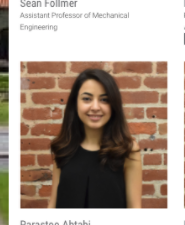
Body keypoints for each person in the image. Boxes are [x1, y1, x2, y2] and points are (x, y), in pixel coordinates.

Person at [48, 68, 143, 208]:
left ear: (114, 105)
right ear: (75, 103)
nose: (95, 107)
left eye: (104, 100)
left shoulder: (127, 150)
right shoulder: (63, 148)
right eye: (87, 99)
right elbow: (53, 204)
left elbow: (134, 209)